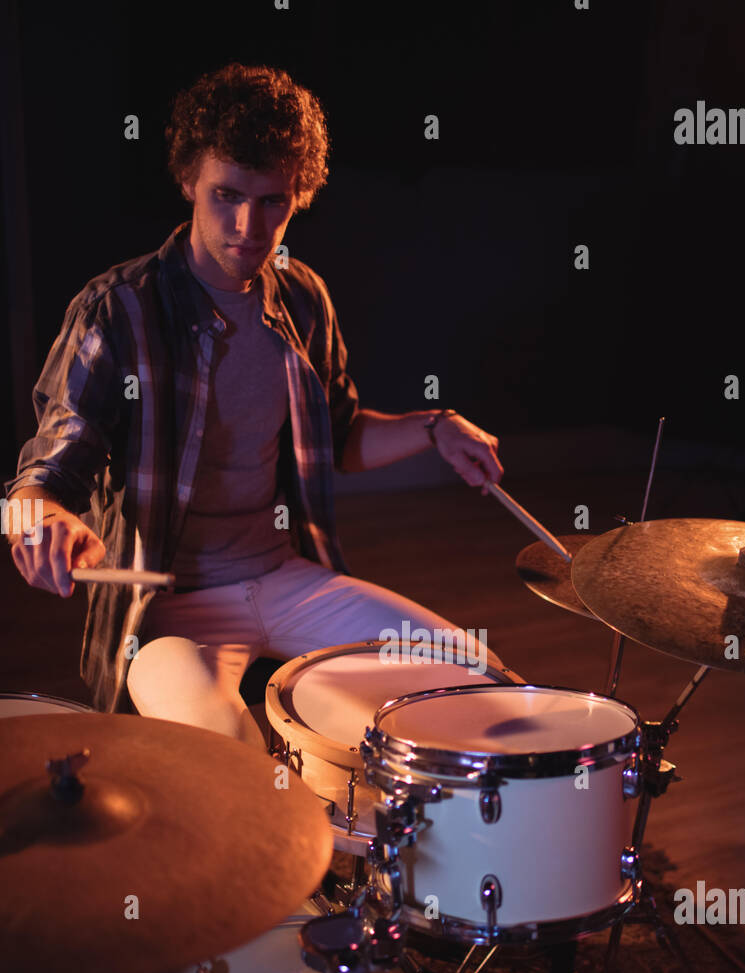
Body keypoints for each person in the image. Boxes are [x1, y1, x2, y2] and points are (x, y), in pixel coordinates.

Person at [4, 63, 504, 745]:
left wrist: (435, 426)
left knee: (477, 676)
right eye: (227, 195)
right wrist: (36, 522)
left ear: (299, 196)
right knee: (230, 758)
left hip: (286, 577)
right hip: (169, 603)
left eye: (273, 201)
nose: (248, 225)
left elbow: (339, 435)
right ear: (188, 179)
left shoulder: (303, 297)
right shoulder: (117, 309)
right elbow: (41, 479)